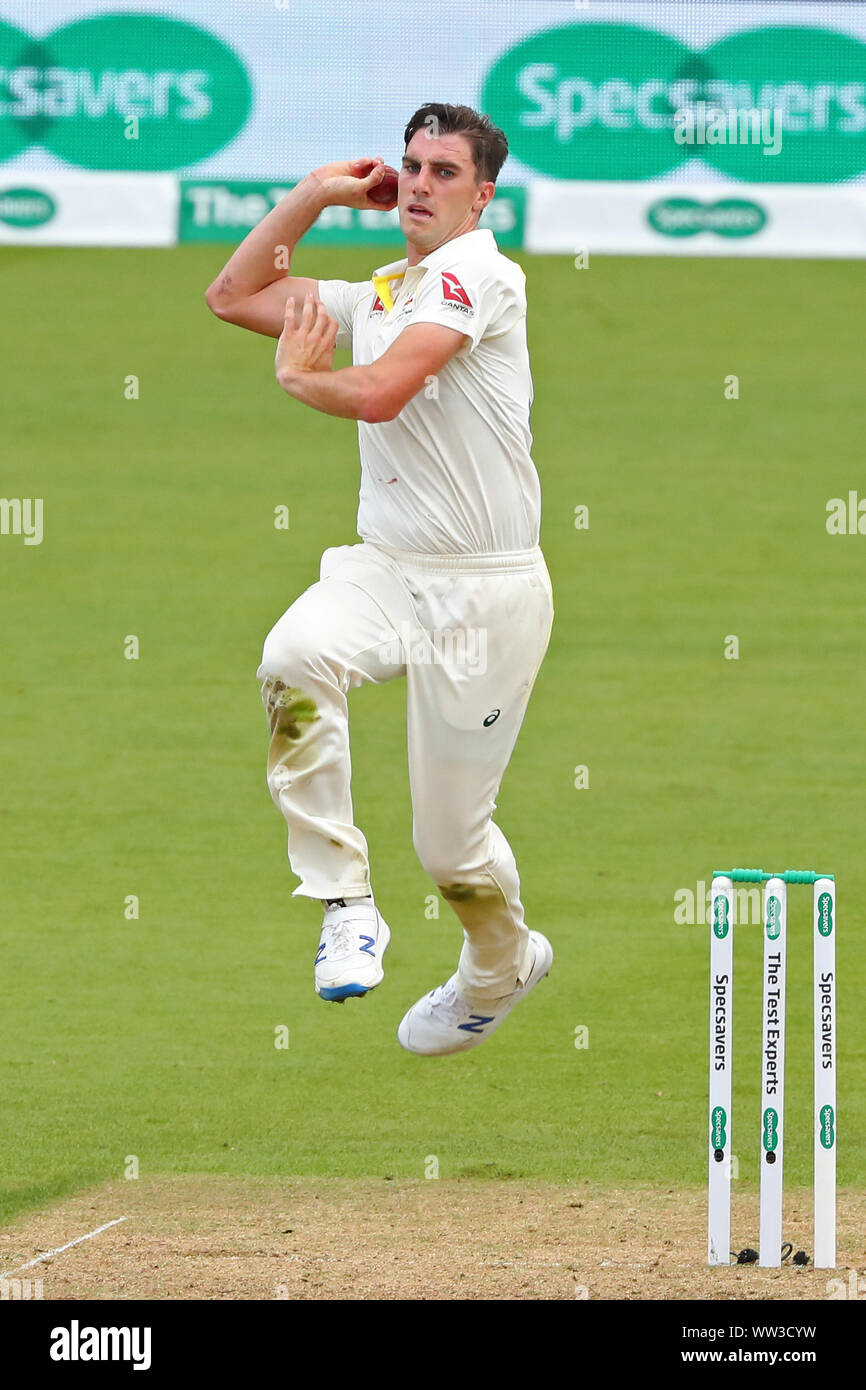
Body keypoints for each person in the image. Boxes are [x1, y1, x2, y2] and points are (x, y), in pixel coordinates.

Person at [205, 103, 553, 1056]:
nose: (420, 186)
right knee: (292, 657)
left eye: (445, 172)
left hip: (486, 595)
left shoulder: (480, 275)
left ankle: (499, 965)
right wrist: (315, 192)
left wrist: (301, 383)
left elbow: (381, 390)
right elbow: (235, 294)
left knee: (453, 851)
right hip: (385, 571)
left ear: (484, 195)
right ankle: (344, 901)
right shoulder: (383, 292)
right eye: (410, 168)